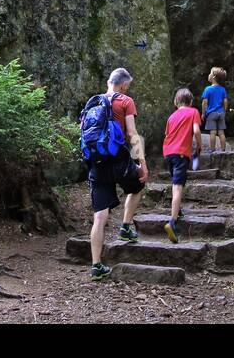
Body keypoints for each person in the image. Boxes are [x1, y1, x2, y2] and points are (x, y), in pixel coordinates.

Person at [84, 68, 148, 281]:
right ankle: (126, 227)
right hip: (119, 161)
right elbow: (131, 133)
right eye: (127, 86)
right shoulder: (125, 101)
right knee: (138, 185)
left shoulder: (93, 103)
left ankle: (96, 266)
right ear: (123, 85)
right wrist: (142, 163)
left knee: (99, 217)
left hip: (96, 163)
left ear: (108, 82)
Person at [161, 88, 201, 243]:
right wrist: (198, 145)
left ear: (176, 103)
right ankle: (172, 221)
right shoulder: (193, 112)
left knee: (175, 183)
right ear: (191, 102)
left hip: (168, 153)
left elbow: (167, 135)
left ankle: (178, 211)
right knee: (178, 187)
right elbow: (196, 130)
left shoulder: (171, 116)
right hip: (181, 153)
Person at [201, 67, 229, 155]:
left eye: (210, 73)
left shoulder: (208, 89)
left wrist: (203, 113)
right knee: (221, 132)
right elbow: (225, 101)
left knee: (212, 132)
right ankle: (223, 150)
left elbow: (205, 102)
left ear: (213, 77)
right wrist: (224, 111)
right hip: (221, 113)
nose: (208, 75)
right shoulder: (222, 89)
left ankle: (212, 150)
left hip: (211, 113)